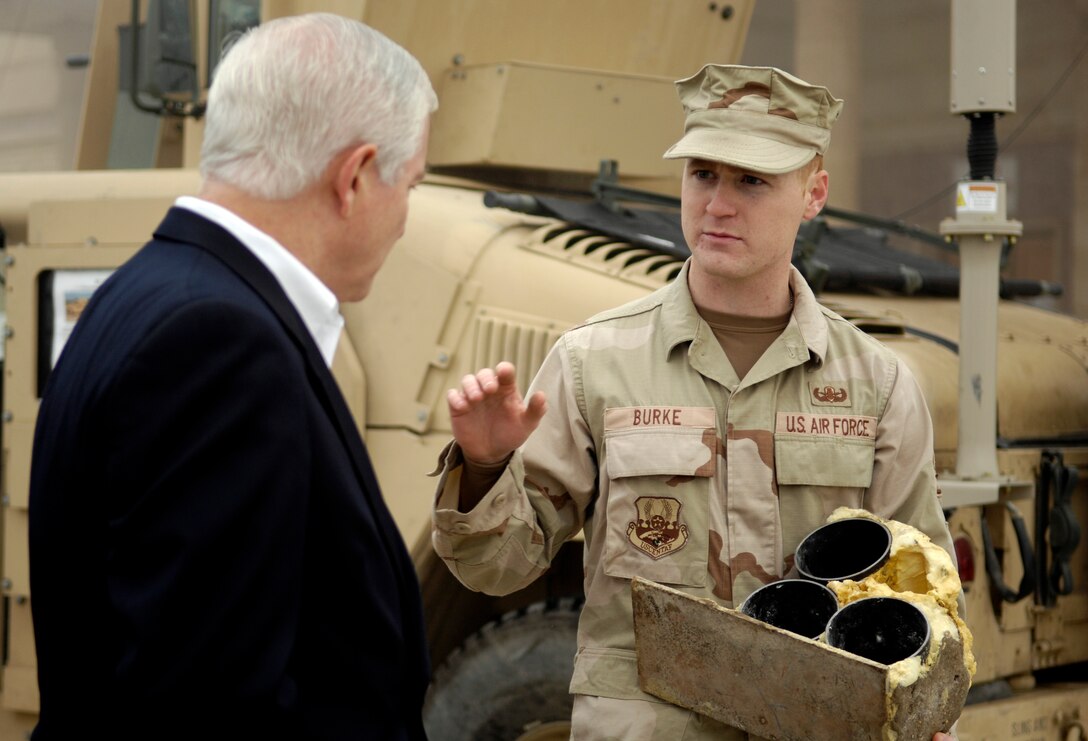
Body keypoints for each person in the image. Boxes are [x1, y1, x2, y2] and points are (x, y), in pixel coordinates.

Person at [431, 65, 960, 740]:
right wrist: (482, 468)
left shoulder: (876, 383)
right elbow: (498, 566)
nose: (717, 203)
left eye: (752, 180)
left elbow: (923, 591)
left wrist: (925, 704)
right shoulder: (596, 362)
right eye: (702, 174)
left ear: (814, 192)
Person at [28, 13, 436, 741]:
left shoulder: (146, 292)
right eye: (409, 183)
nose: (406, 218)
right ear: (353, 177)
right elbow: (207, 706)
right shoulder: (221, 344)